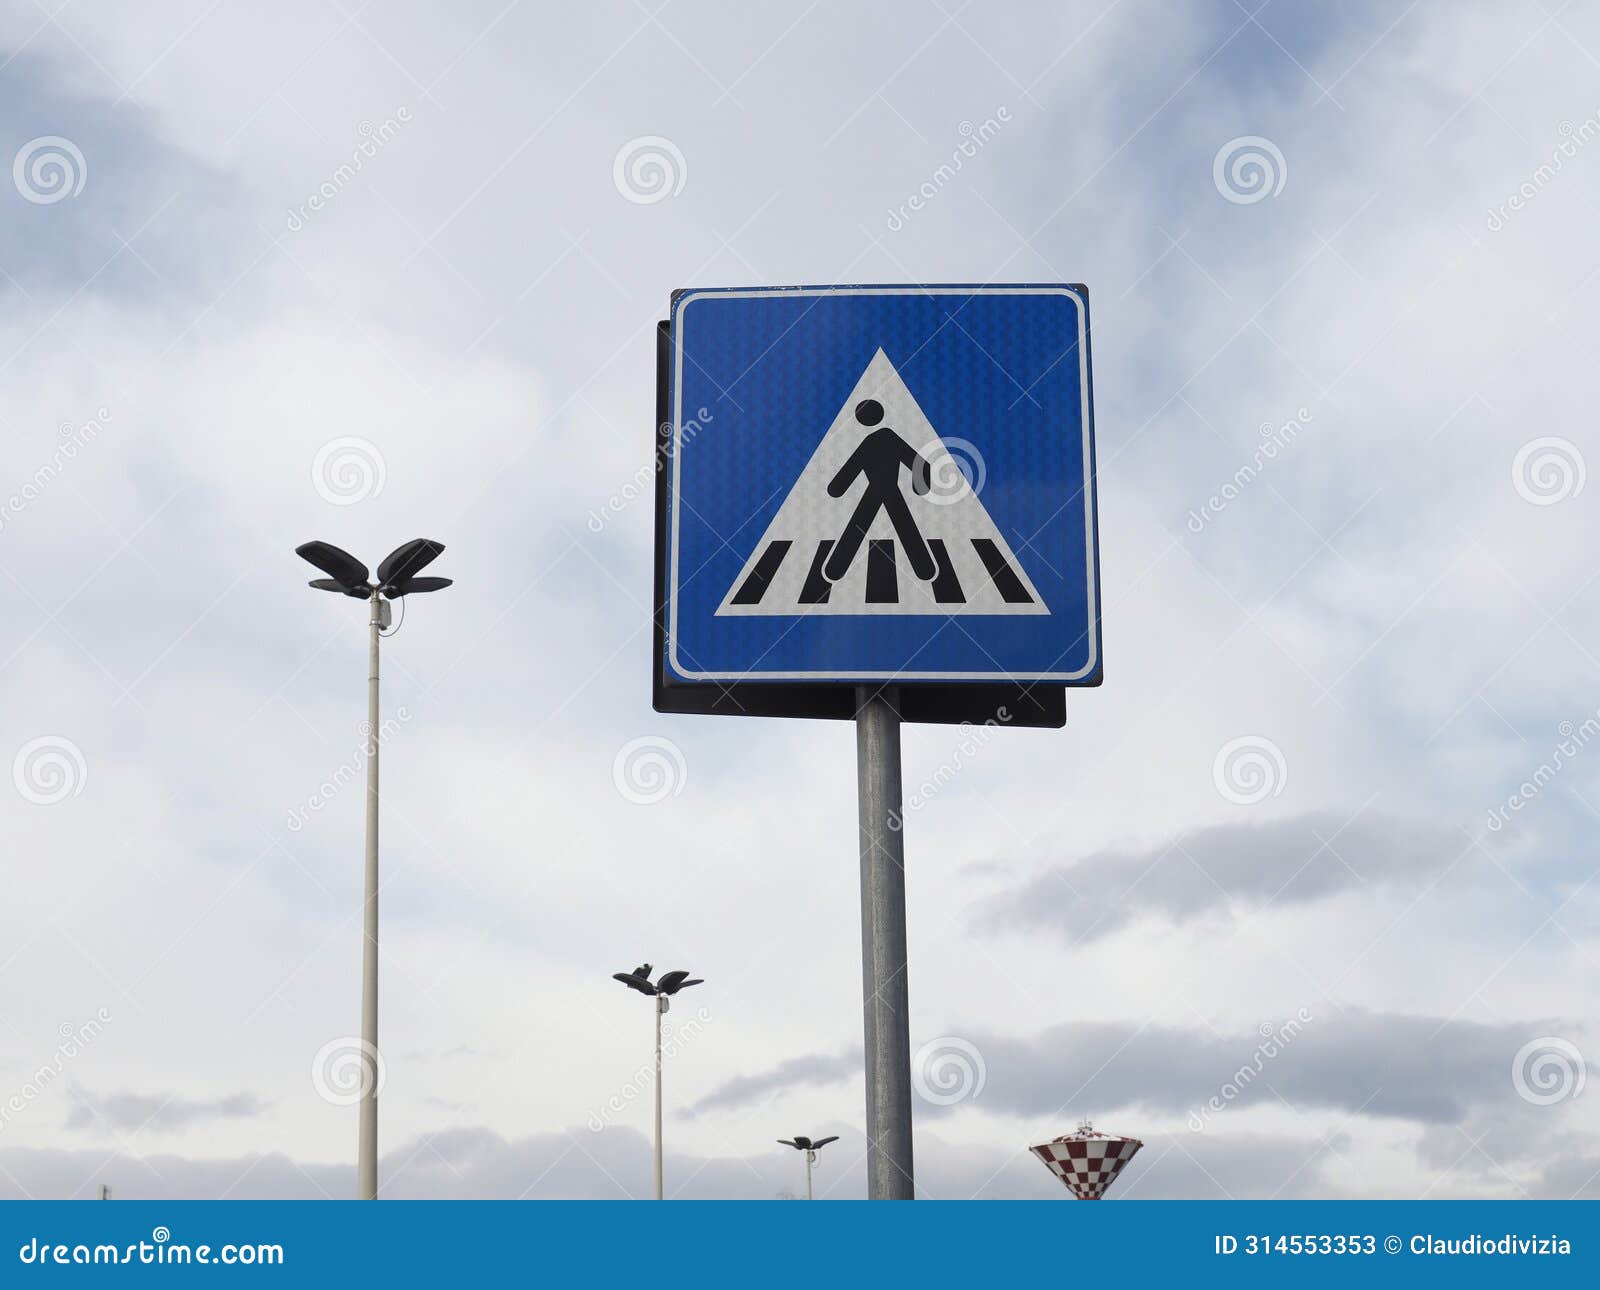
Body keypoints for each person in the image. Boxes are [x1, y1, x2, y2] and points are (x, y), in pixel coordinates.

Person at [822, 398, 937, 583]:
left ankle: (834, 571)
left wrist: (837, 489)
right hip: (887, 491)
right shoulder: (887, 438)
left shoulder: (873, 441)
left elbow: (846, 475)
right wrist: (919, 489)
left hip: (877, 491)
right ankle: (926, 571)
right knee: (905, 527)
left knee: (859, 526)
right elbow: (922, 466)